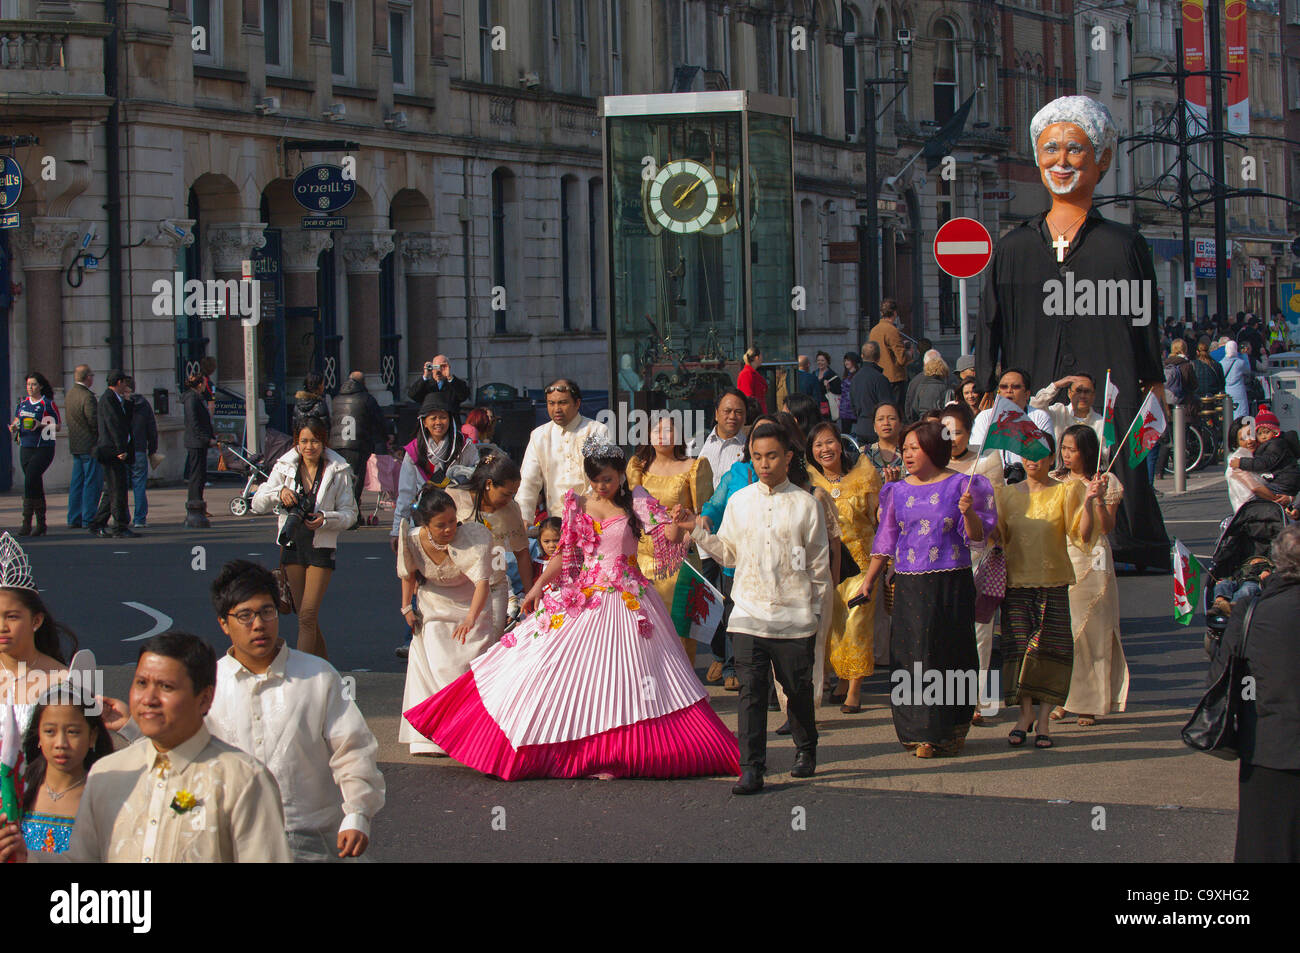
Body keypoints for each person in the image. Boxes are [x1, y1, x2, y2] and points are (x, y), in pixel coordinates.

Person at [404, 435, 741, 780]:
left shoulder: (636, 500)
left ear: (622, 475)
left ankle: (619, 752)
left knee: (630, 679)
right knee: (547, 665)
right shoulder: (578, 503)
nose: (601, 486)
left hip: (630, 600)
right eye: (594, 480)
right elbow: (566, 553)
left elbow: (668, 537)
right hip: (585, 597)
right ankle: (565, 745)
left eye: (607, 479)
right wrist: (535, 586)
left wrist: (682, 520)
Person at [975, 94, 1169, 572]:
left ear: (1101, 159)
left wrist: (1153, 379)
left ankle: (1121, 538)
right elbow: (990, 318)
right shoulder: (1014, 246)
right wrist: (985, 382)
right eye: (1050, 148)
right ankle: (1025, 532)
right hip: (1032, 374)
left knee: (1108, 452)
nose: (1061, 161)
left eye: (1075, 149)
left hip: (1111, 378)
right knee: (1032, 459)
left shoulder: (1124, 246)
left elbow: (1144, 319)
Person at [0, 632, 292, 863]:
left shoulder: (242, 780)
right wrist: (30, 858)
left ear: (205, 698)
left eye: (166, 687)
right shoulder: (108, 773)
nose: (148, 698)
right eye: (141, 683)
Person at [677, 420, 830, 795]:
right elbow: (728, 553)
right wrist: (698, 532)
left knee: (796, 690)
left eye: (772, 456)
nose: (764, 464)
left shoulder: (806, 504)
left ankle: (806, 748)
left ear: (788, 456)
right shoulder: (740, 501)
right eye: (757, 457)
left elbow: (818, 567)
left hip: (794, 618)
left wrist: (816, 616)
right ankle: (751, 769)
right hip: (746, 613)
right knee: (750, 694)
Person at [206, 560, 385, 861]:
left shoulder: (317, 675)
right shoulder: (208, 685)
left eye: (266, 611)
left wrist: (357, 813)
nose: (259, 624)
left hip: (316, 841)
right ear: (224, 623)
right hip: (236, 843)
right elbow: (183, 750)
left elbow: (353, 750)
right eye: (245, 616)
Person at [857, 421, 998, 758]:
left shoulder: (964, 485)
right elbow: (886, 539)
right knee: (912, 656)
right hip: (908, 583)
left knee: (950, 654)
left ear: (934, 448)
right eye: (905, 448)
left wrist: (969, 514)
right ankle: (918, 733)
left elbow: (978, 538)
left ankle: (950, 730)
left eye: (914, 448)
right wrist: (869, 580)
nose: (907, 454)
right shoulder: (897, 491)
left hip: (951, 582)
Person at [993, 432, 1101, 749]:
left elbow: (1081, 534)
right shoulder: (1007, 495)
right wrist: (973, 509)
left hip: (1053, 583)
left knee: (1051, 653)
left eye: (1039, 453)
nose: (1032, 459)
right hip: (1016, 584)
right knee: (1019, 652)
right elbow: (997, 537)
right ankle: (1024, 714)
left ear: (1052, 459)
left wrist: (1091, 502)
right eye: (1025, 452)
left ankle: (1043, 719)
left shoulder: (1067, 492)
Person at [1210, 525, 1300, 861]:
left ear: (1277, 562)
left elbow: (1220, 678)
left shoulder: (1250, 611)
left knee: (1264, 845)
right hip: (1272, 743)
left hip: (1266, 746)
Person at [396, 485, 497, 757]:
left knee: (467, 663)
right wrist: (407, 608)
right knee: (437, 661)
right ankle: (432, 733)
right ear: (426, 525)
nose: (449, 529)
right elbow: (408, 574)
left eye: (453, 521)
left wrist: (470, 618)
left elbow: (482, 585)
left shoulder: (473, 537)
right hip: (433, 603)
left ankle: (468, 732)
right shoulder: (414, 539)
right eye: (441, 525)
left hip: (471, 601)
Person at [251, 417, 358, 659]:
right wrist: (280, 492)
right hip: (291, 544)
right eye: (304, 441)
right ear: (296, 442)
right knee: (304, 617)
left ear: (324, 442)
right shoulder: (284, 467)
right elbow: (257, 504)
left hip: (321, 546)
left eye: (315, 441)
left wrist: (325, 518)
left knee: (308, 614)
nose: (309, 447)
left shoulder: (338, 469)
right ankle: (324, 671)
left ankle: (302, 677)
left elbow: (351, 514)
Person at [1050, 425, 1129, 726]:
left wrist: (1095, 497)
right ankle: (1061, 698)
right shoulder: (1055, 480)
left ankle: (1089, 702)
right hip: (1063, 554)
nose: (1066, 454)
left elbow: (1107, 527)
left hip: (1094, 557)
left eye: (1072, 449)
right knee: (1063, 633)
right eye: (1064, 448)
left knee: (1092, 630)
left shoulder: (1106, 481)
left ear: (1086, 450)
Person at [627, 415, 713, 665]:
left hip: (680, 559)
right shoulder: (637, 467)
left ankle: (684, 690)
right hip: (641, 559)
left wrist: (685, 525)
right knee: (642, 626)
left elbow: (702, 515)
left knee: (680, 627)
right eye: (656, 429)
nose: (662, 435)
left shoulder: (695, 467)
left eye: (669, 430)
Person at [808, 421, 881, 713]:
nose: (825, 449)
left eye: (829, 442)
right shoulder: (810, 482)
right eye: (818, 445)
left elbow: (878, 519)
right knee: (833, 626)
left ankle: (854, 687)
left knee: (857, 623)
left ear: (840, 444)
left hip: (862, 562)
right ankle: (840, 678)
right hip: (825, 564)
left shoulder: (865, 476)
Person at [938, 402, 1005, 718]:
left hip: (978, 555)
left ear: (969, 431)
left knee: (980, 630)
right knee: (946, 631)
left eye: (958, 432)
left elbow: (998, 512)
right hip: (939, 559)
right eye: (945, 432)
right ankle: (950, 699)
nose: (951, 439)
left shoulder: (987, 461)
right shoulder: (928, 464)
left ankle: (979, 700)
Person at [20, 687, 114, 855]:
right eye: (50, 732)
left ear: (92, 736)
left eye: (72, 732)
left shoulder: (104, 796)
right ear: (38, 736)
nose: (61, 743)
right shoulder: (18, 790)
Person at [448, 453, 534, 632]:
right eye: (506, 494)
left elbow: (523, 554)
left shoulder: (511, 509)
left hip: (495, 586)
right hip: (457, 589)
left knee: (490, 644)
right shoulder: (454, 499)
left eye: (513, 494)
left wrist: (529, 593)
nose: (509, 499)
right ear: (489, 484)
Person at [515, 379, 612, 524]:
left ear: (577, 403)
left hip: (593, 520)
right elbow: (528, 482)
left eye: (563, 403)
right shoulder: (539, 435)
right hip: (555, 522)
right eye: (551, 403)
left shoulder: (596, 430)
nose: (556, 409)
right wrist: (523, 519)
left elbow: (608, 477)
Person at [390, 392, 480, 544]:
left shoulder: (464, 445)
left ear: (450, 420)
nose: (438, 422)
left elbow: (477, 476)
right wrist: (396, 530)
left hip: (459, 518)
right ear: (424, 422)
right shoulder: (414, 451)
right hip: (425, 519)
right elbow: (405, 494)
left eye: (443, 417)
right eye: (433, 418)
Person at [971, 369, 1055, 483]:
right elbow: (977, 457)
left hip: (1030, 485)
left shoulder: (1039, 417)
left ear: (1027, 394)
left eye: (1015, 387)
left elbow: (1043, 456)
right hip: (993, 485)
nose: (1009, 391)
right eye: (1004, 387)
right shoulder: (985, 417)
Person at [88, 370, 137, 539]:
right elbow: (113, 425)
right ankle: (120, 526)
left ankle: (98, 523)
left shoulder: (117, 399)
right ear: (119, 382)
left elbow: (124, 422)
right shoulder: (108, 399)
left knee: (112, 490)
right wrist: (120, 449)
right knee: (118, 490)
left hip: (114, 450)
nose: (127, 386)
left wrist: (129, 403)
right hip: (111, 451)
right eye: (124, 383)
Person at [9, 372, 60, 537]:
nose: (30, 388)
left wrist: (40, 424)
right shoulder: (23, 404)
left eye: (34, 385)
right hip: (26, 446)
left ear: (40, 386)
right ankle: (41, 523)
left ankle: (26, 522)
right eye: (28, 385)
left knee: (30, 479)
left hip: (43, 447)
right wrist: (14, 427)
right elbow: (18, 420)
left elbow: (57, 426)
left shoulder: (47, 404)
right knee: (34, 483)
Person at [330, 371, 388, 513]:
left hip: (337, 444)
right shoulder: (367, 399)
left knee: (340, 479)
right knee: (355, 480)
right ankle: (352, 513)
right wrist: (383, 439)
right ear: (363, 383)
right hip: (357, 444)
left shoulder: (336, 399)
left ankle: (340, 509)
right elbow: (378, 421)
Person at [1228, 406, 1300, 499]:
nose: (1249, 441)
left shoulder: (1274, 445)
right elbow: (1256, 489)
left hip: (1284, 484)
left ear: (1275, 432)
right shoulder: (1235, 462)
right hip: (1253, 507)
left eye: (1251, 434)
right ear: (1236, 443)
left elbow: (1264, 463)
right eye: (1243, 438)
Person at [64, 365, 102, 530]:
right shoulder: (87, 397)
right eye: (92, 375)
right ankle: (88, 517)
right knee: (91, 483)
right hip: (89, 445)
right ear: (87, 377)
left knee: (77, 483)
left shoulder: (70, 394)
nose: (92, 378)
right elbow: (93, 420)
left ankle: (73, 517)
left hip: (76, 444)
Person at [690, 388, 747, 493]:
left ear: (745, 416)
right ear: (716, 414)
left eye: (738, 412)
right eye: (727, 411)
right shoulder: (697, 444)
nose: (732, 416)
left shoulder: (749, 449)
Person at [182, 372, 217, 528]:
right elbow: (194, 422)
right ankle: (194, 505)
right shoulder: (191, 398)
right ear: (199, 384)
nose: (205, 387)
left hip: (200, 442)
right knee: (196, 475)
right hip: (195, 442)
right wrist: (206, 438)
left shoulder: (198, 397)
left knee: (200, 474)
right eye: (203, 384)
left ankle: (199, 504)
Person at [125, 377, 157, 529]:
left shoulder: (121, 404)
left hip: (124, 449)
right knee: (139, 484)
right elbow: (151, 428)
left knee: (121, 486)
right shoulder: (143, 404)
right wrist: (152, 449)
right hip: (139, 448)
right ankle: (139, 518)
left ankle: (123, 517)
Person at [851, 341, 894, 445]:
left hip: (861, 426)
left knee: (864, 460)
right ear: (878, 357)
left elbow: (853, 404)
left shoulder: (855, 378)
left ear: (862, 356)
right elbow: (887, 406)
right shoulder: (880, 379)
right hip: (877, 428)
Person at [870, 299, 909, 408]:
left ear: (881, 313)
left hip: (878, 375)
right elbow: (901, 358)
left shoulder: (874, 330)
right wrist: (909, 353)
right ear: (895, 313)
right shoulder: (892, 330)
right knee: (895, 410)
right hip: (894, 377)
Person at [903, 350, 954, 423]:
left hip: (923, 422)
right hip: (941, 423)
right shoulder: (948, 385)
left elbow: (911, 407)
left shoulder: (917, 383)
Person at [864, 402, 906, 481]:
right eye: (880, 419)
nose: (886, 423)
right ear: (874, 427)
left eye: (892, 418)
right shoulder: (864, 453)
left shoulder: (908, 451)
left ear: (900, 424)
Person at [1220, 340, 1251, 420]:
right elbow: (1248, 371)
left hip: (1227, 391)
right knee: (1241, 414)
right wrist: (1244, 355)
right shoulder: (1240, 363)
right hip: (1239, 391)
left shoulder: (1221, 363)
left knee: (1229, 414)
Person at [814, 351, 840, 421]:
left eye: (822, 360)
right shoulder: (814, 373)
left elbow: (838, 391)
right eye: (818, 360)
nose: (820, 362)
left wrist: (829, 387)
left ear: (827, 362)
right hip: (816, 405)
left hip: (828, 407)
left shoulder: (833, 375)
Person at [839, 353, 860, 434]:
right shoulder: (846, 375)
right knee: (845, 434)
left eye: (848, 360)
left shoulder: (858, 375)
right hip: (845, 409)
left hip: (854, 408)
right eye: (845, 360)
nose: (846, 362)